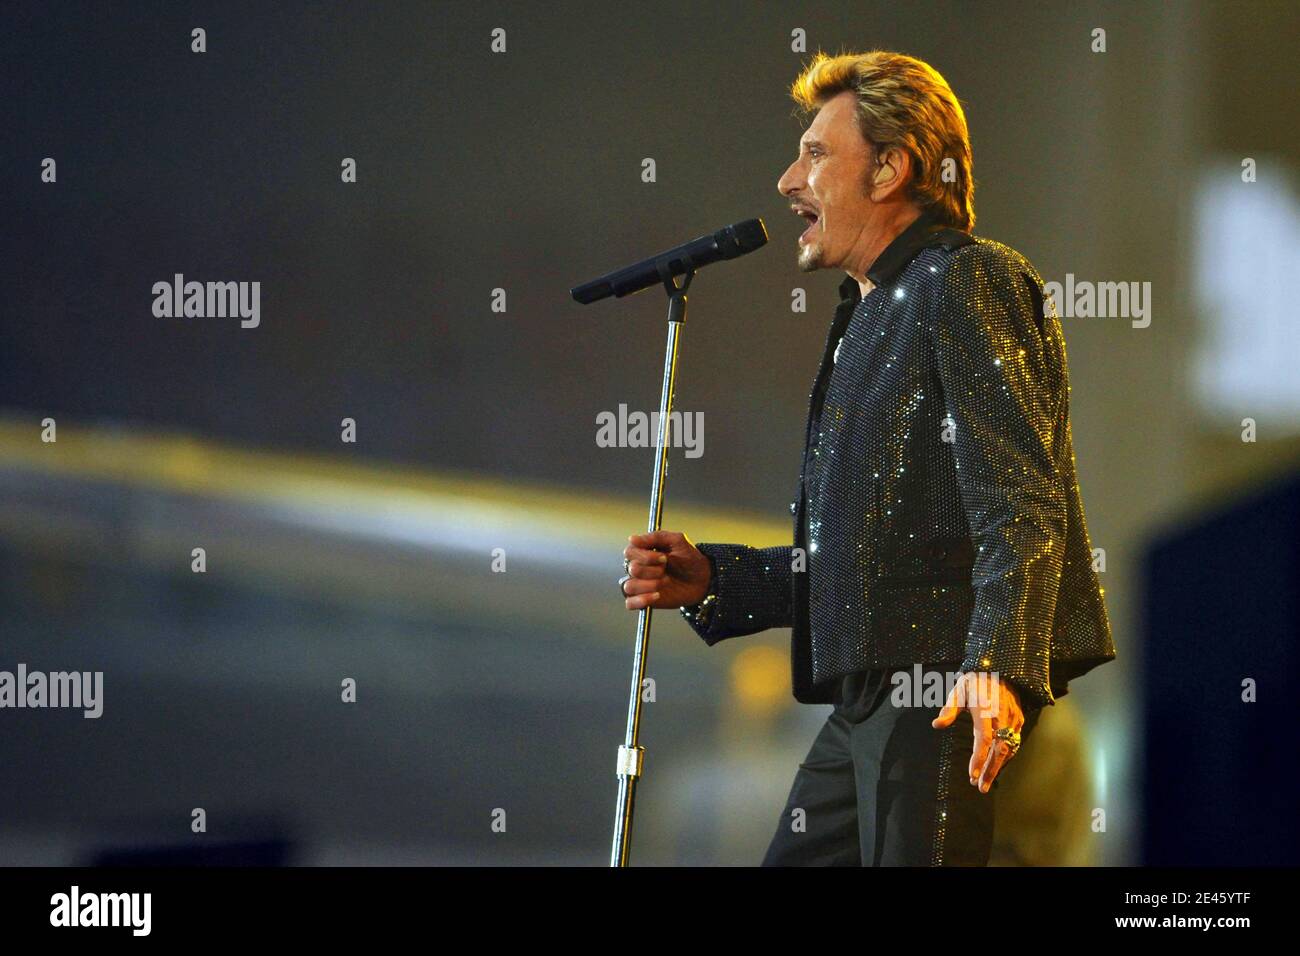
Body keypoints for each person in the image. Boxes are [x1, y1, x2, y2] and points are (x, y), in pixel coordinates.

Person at [618, 50, 1115, 866]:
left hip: (937, 692)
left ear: (890, 168)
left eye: (816, 154)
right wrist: (717, 577)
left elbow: (1021, 505)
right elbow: (871, 560)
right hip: (869, 701)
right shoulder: (873, 313)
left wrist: (994, 665)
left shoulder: (966, 281)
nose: (788, 180)